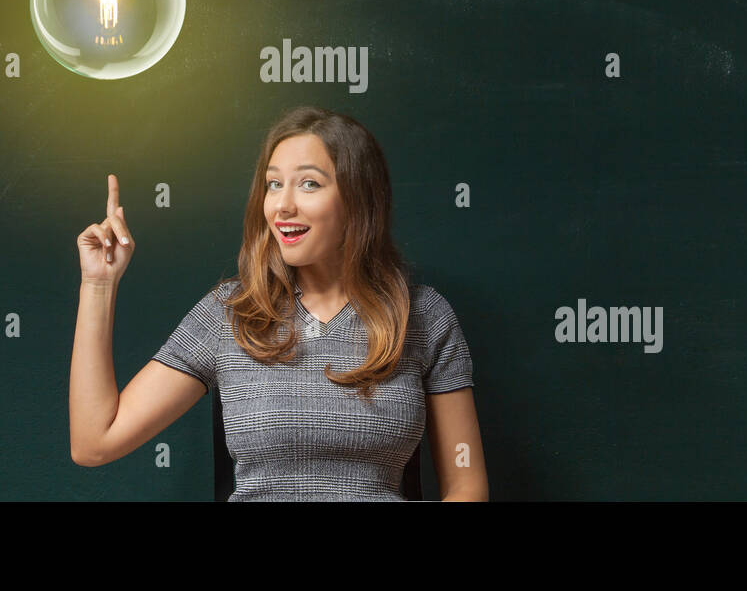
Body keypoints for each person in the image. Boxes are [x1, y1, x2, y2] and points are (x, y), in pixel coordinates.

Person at [68, 105, 488, 501]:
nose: (283, 205)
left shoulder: (425, 316)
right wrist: (98, 285)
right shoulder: (229, 312)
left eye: (309, 183)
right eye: (273, 184)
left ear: (359, 200)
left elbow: (467, 485)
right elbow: (94, 442)